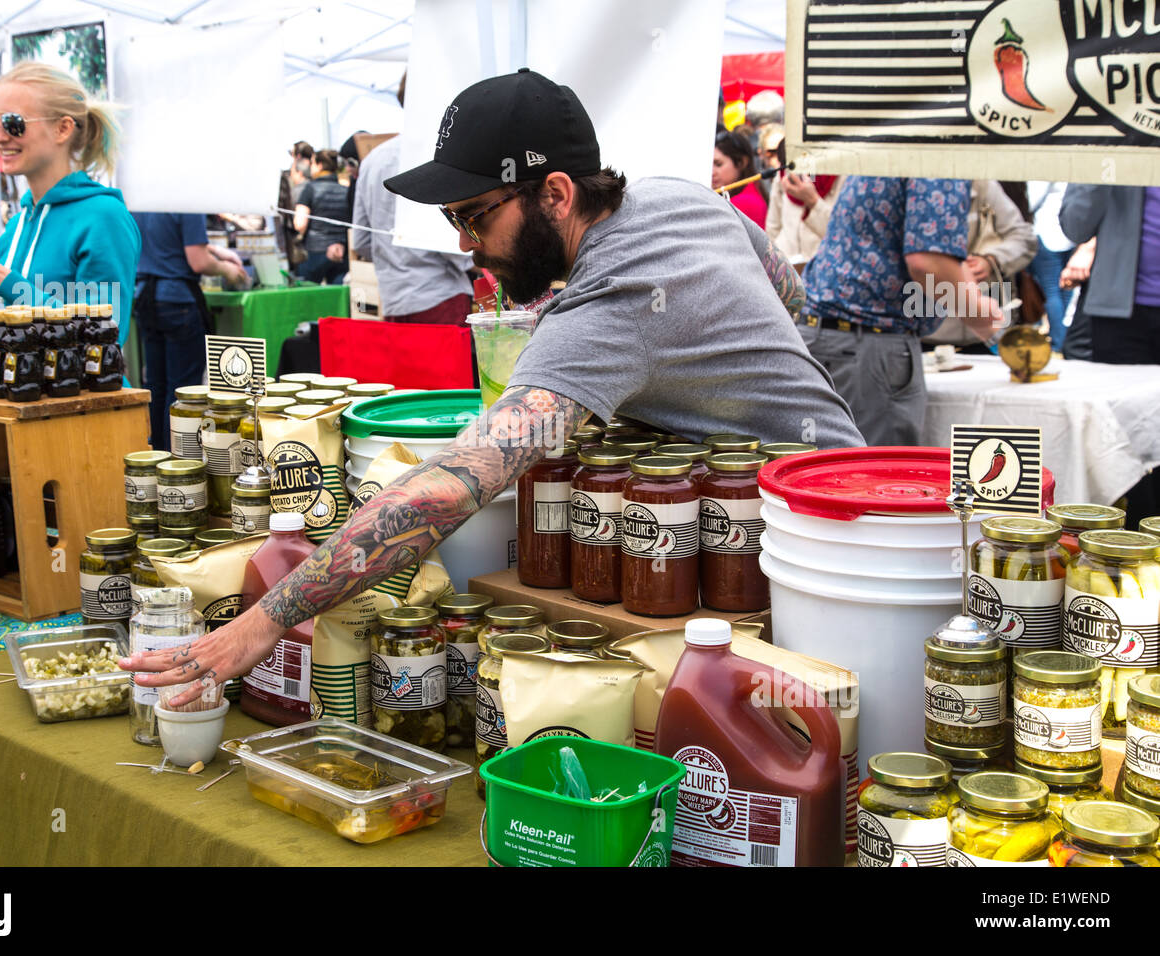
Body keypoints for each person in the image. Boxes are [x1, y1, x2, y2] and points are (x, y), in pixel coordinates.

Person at [122, 68, 863, 706]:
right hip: (825, 483)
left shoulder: (609, 306)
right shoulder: (677, 196)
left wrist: (263, 621)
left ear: (557, 194)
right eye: (454, 218)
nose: (462, 244)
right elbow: (785, 288)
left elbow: (451, 488)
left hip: (817, 542)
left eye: (476, 215)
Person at [0, 62, 140, 343]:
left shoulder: (103, 216)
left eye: (13, 123)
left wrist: (2, 280)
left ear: (62, 129)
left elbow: (106, 337)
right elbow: (20, 337)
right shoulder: (17, 225)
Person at [799, 176, 1004, 445]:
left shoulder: (892, 144)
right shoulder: (937, 152)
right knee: (873, 479)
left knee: (824, 473)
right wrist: (980, 315)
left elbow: (932, 249)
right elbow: (929, 262)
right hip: (869, 347)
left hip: (828, 336)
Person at [351, 78, 474, 324]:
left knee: (406, 364)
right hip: (441, 295)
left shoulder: (373, 160)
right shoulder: (436, 157)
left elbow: (362, 241)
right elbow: (455, 248)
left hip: (395, 298)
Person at [131, 212, 249, 449]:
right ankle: (180, 462)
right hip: (177, 300)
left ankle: (160, 457)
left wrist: (214, 250)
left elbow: (163, 242)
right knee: (182, 393)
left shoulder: (141, 199)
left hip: (146, 297)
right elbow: (199, 262)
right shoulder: (185, 201)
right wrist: (227, 269)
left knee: (156, 387)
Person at [923, 179, 1036, 352]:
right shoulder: (909, 187)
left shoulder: (982, 186)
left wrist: (992, 260)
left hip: (986, 332)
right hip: (925, 331)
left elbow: (1024, 238)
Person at [1059, 184, 1160, 365]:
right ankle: (995, 341)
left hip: (998, 283)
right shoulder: (1112, 160)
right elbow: (1075, 227)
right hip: (1120, 315)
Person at [765, 166, 843, 273]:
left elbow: (842, 235)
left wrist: (813, 202)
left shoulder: (845, 175)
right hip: (788, 273)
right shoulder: (784, 173)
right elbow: (773, 228)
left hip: (825, 272)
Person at [1027, 182, 1075, 352]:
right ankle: (1065, 338)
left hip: (1046, 231)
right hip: (1070, 233)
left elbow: (1032, 200)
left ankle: (1059, 342)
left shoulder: (1046, 165)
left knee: (1051, 292)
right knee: (1066, 289)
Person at [293, 149, 349, 284]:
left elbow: (300, 223)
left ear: (319, 165)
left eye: (312, 163)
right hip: (341, 252)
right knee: (338, 296)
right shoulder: (345, 190)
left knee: (308, 294)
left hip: (315, 251)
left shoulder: (310, 189)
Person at [712, 130, 767, 229]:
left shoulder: (745, 202)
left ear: (742, 162)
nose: (712, 172)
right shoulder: (750, 194)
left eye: (718, 164)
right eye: (710, 164)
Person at [277, 141, 313, 274]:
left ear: (297, 156)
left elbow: (299, 223)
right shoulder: (312, 180)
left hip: (301, 243)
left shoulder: (300, 185)